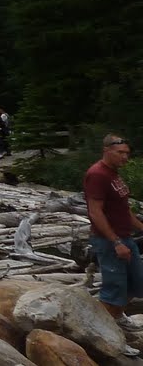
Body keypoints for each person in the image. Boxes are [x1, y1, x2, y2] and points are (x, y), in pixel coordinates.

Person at [85, 134, 143, 317]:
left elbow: (123, 209)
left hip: (125, 237)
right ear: (107, 151)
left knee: (136, 282)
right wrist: (116, 242)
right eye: (120, 153)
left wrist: (141, 228)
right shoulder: (97, 174)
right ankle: (102, 327)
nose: (124, 157)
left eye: (127, 153)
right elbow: (95, 212)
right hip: (109, 240)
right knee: (114, 288)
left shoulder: (113, 173)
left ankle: (117, 318)